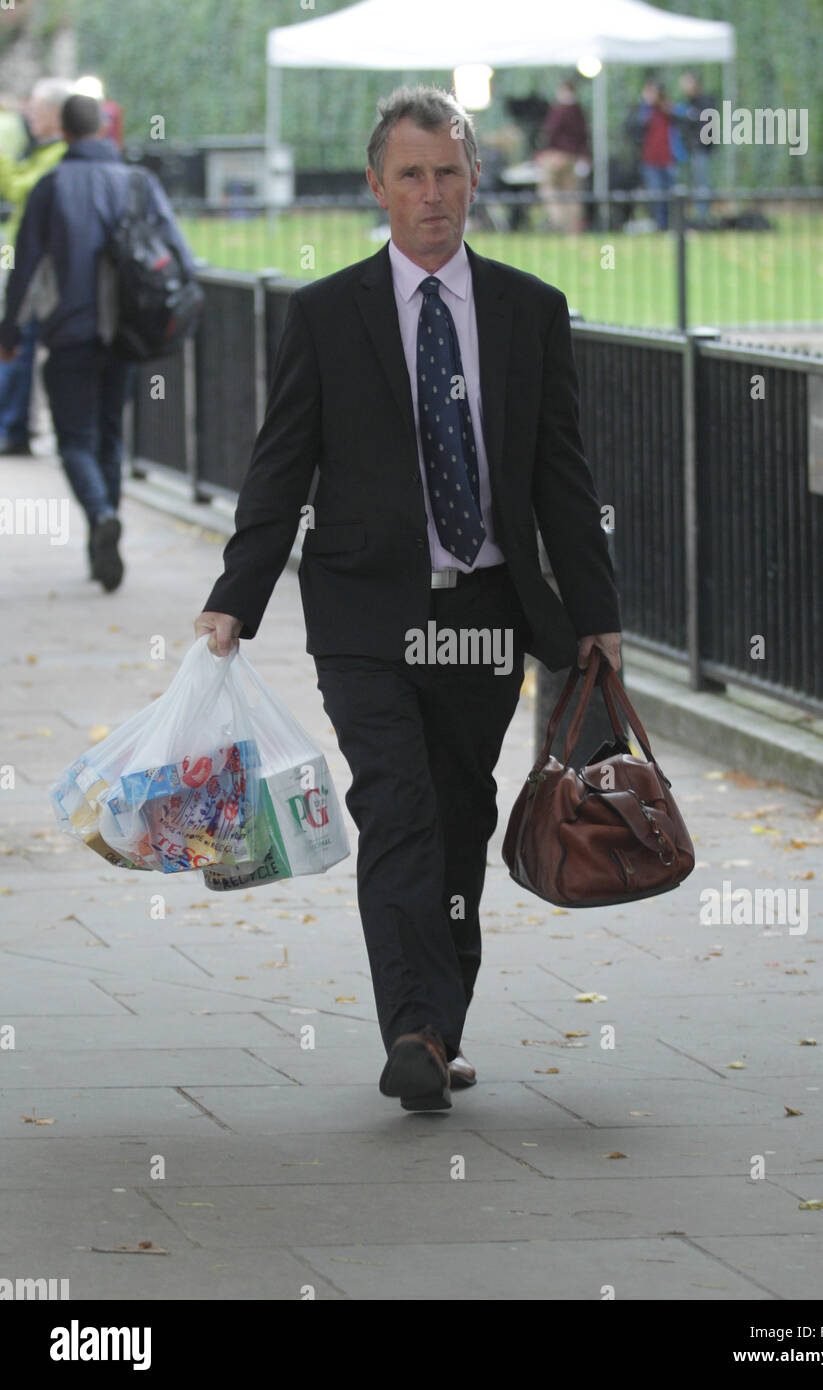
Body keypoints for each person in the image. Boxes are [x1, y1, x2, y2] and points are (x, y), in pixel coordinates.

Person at [195, 85, 623, 1113]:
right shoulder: (327, 313)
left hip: (484, 615)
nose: (433, 195)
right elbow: (280, 464)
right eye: (412, 176)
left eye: (449, 172)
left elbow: (561, 476)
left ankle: (440, 1023)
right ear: (379, 191)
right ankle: (412, 1030)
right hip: (366, 611)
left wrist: (597, 616)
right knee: (396, 806)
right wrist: (232, 599)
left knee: (461, 813)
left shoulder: (528, 311)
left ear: (475, 179)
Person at [0, 93, 195, 591]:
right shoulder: (139, 182)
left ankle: (100, 514)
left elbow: (24, 267)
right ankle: (101, 533)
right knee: (110, 435)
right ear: (104, 131)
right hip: (127, 335)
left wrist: (10, 331)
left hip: (70, 333)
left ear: (63, 133)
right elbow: (181, 256)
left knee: (75, 441)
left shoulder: (50, 187)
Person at [0, 78, 71, 456]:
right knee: (18, 344)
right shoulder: (43, 152)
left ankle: (14, 427)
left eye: (36, 110)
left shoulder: (56, 156)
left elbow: (18, 189)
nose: (29, 116)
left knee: (19, 345)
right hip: (31, 262)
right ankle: (15, 427)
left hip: (40, 269)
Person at [535, 78, 590, 234]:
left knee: (550, 192)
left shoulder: (558, 110)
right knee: (571, 196)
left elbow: (549, 133)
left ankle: (557, 224)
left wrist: (543, 152)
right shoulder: (579, 111)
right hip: (573, 158)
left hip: (555, 156)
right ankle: (572, 230)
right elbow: (584, 136)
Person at [627, 80, 677, 231]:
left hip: (669, 159)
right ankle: (661, 226)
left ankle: (672, 226)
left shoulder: (667, 109)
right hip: (650, 160)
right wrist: (646, 105)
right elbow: (634, 128)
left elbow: (679, 119)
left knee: (672, 196)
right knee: (656, 195)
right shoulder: (642, 111)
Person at [673, 72, 718, 225]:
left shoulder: (704, 103)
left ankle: (703, 217)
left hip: (701, 149)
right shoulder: (688, 103)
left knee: (702, 184)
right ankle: (698, 216)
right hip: (691, 150)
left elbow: (706, 127)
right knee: (695, 185)